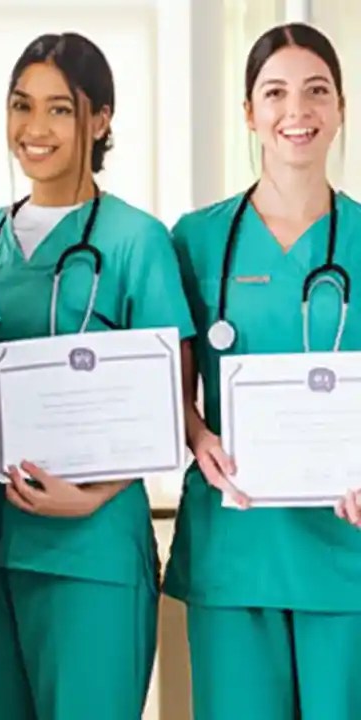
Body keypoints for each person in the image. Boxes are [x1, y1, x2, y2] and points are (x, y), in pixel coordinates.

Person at [0, 32, 195, 720]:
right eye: (21, 106)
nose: (35, 129)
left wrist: (93, 497)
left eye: (60, 110)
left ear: (99, 121)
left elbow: (170, 401)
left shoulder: (136, 240)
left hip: (90, 551)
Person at [165, 22, 361, 720]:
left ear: (341, 107)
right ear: (249, 112)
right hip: (236, 546)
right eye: (274, 93)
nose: (296, 111)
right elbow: (170, 389)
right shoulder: (197, 240)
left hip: (347, 551)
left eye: (316, 91)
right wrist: (197, 436)